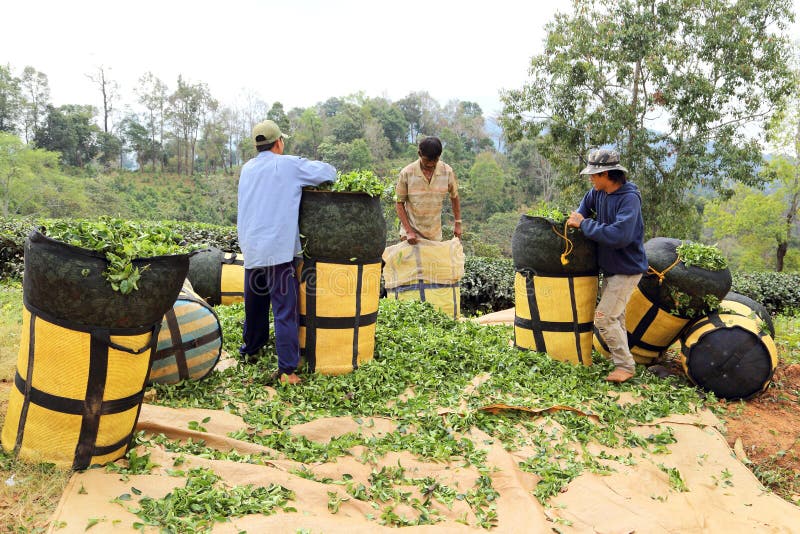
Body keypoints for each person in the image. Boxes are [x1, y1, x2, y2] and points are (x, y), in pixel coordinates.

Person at [237, 120, 337, 385]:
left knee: (255, 305)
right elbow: (329, 173)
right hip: (277, 252)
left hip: (251, 248)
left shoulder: (247, 168)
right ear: (278, 142)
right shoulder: (289, 164)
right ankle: (287, 370)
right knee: (284, 310)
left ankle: (251, 349)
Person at [567, 149, 648, 383]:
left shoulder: (629, 199)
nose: (591, 179)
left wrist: (585, 225)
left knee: (603, 317)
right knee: (616, 317)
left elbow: (620, 235)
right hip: (611, 268)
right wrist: (577, 219)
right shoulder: (597, 192)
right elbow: (581, 211)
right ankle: (620, 361)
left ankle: (625, 366)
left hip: (627, 269)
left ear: (607, 174)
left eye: (594, 175)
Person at [395, 136, 462, 244]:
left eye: (435, 160)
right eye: (427, 160)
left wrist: (458, 223)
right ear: (419, 154)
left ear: (439, 156)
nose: (430, 164)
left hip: (434, 234)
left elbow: (455, 197)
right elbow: (399, 203)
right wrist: (408, 231)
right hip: (411, 234)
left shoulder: (447, 172)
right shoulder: (406, 173)